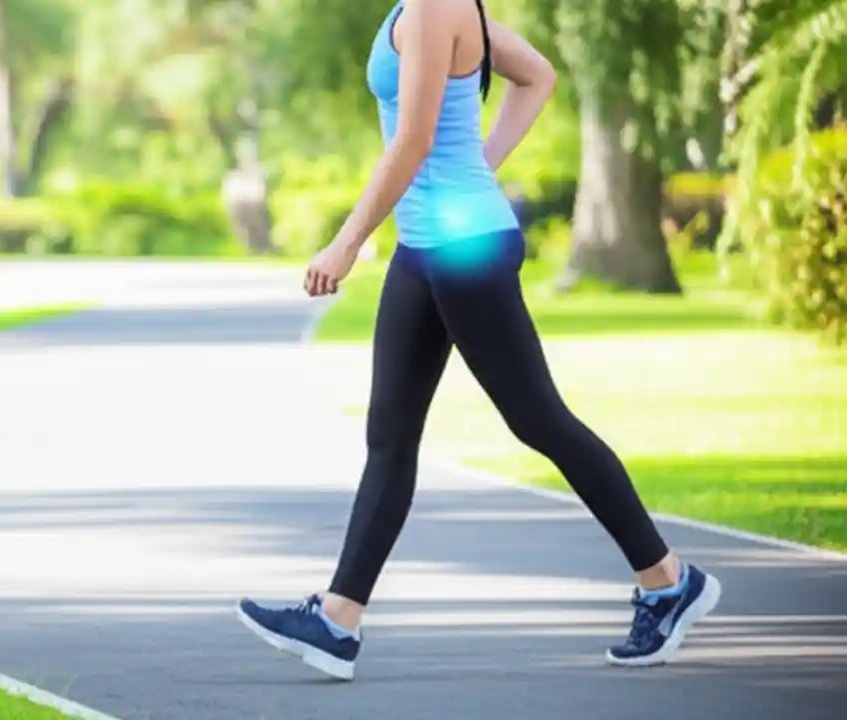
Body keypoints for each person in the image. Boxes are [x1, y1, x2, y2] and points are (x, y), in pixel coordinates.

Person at [235, 0, 721, 680]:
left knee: (539, 420)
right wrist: (482, 165)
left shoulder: (437, 7)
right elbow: (538, 75)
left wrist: (346, 242)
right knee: (391, 435)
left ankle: (668, 581)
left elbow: (415, 140)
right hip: (424, 247)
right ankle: (338, 621)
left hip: (464, 248)